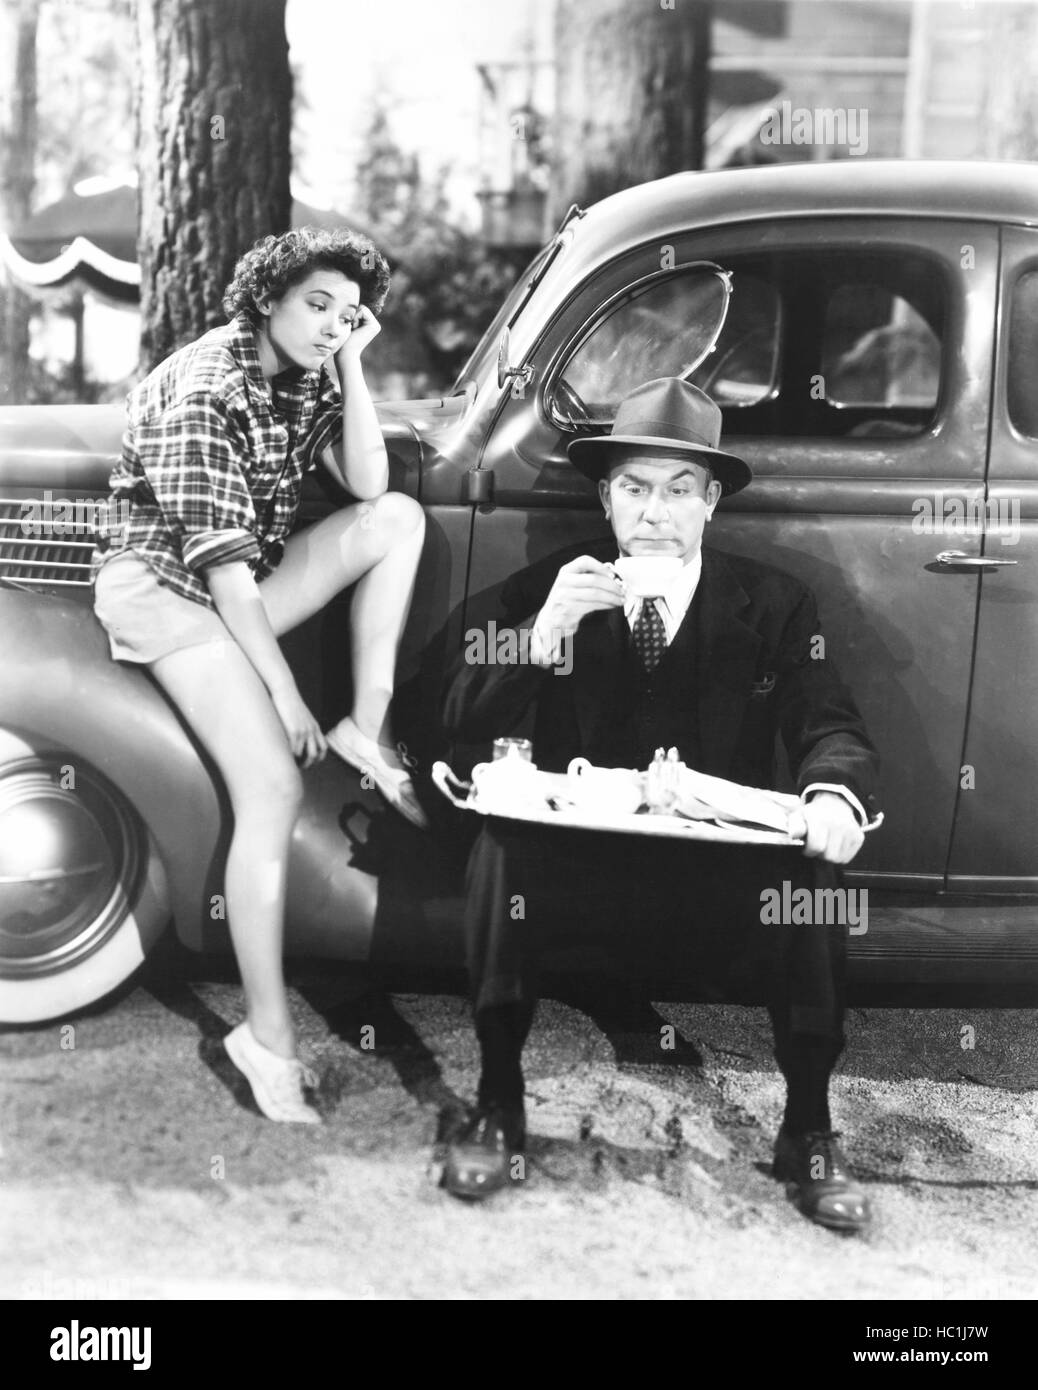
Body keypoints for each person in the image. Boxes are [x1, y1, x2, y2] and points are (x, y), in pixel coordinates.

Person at [441, 377, 881, 1230]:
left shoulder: (776, 605)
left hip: (717, 869)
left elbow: (832, 725)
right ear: (606, 499)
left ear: (711, 502)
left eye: (681, 491)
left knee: (818, 885)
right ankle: (498, 1104)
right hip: (583, 865)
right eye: (636, 489)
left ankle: (809, 1131)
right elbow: (458, 720)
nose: (656, 513)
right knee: (501, 852)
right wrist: (540, 640)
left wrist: (833, 797)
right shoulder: (553, 588)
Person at [91, 227, 427, 1124]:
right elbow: (228, 583)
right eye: (316, 305)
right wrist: (283, 694)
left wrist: (354, 364)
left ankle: (369, 723)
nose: (329, 324)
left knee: (396, 519)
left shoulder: (314, 371)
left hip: (229, 595)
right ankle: (267, 1035)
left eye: (346, 312)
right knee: (272, 785)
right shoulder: (206, 388)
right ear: (266, 298)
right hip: (166, 592)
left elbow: (366, 482)